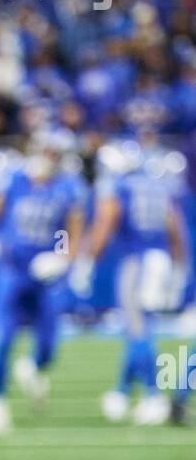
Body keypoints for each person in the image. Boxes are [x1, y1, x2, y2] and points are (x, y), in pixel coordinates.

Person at [0, 130, 86, 435]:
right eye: (45, 150)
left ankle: (33, 368)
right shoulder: (13, 180)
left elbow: (73, 235)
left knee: (49, 344)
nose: (48, 157)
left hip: (45, 276)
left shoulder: (68, 187)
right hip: (12, 268)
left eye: (54, 152)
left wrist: (62, 259)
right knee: (3, 338)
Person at [72, 140, 188, 425]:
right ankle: (122, 391)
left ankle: (153, 394)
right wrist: (179, 265)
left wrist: (87, 260)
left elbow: (107, 220)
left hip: (136, 263)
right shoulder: (155, 183)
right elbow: (175, 227)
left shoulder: (117, 185)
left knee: (138, 331)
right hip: (159, 259)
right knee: (140, 327)